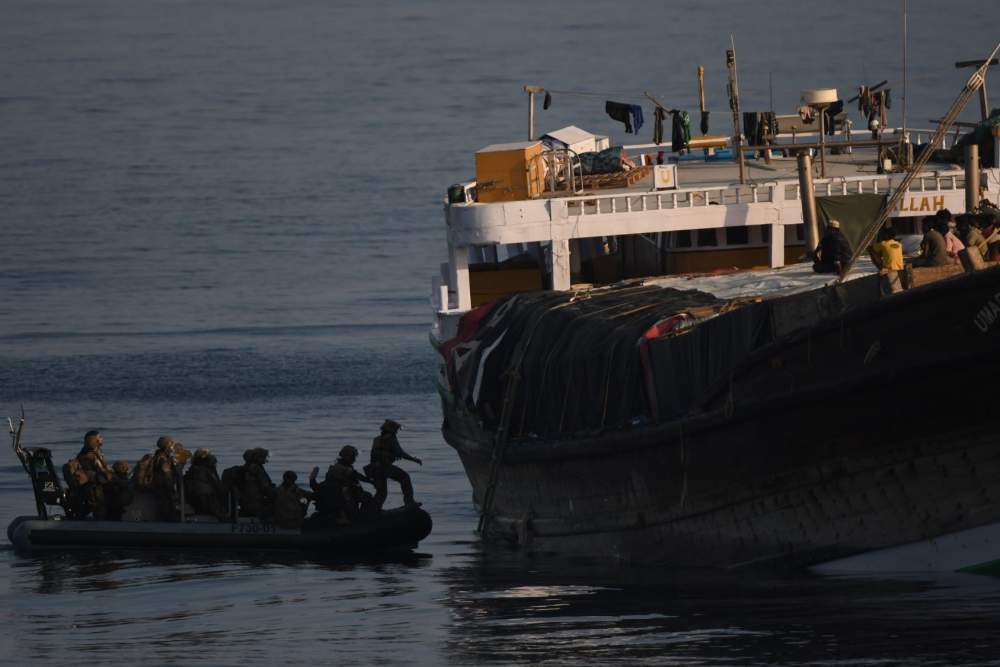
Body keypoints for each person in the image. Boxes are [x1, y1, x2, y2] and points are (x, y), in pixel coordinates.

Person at [364, 419, 422, 509]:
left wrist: (392, 456)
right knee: (405, 477)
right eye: (396, 429)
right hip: (384, 468)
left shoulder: (377, 439)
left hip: (374, 468)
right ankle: (409, 501)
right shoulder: (391, 439)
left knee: (381, 492)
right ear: (392, 429)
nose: (397, 432)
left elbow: (379, 453)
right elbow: (400, 453)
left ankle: (374, 509)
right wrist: (414, 459)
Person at [63, 430, 113, 519]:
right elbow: (95, 473)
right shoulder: (88, 456)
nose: (102, 439)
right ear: (94, 440)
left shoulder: (96, 451)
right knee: (99, 505)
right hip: (91, 487)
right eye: (99, 437)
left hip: (94, 483)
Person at [325, 445, 375, 521]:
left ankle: (359, 515)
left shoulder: (342, 466)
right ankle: (362, 516)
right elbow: (355, 474)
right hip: (344, 494)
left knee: (364, 496)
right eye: (353, 457)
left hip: (347, 493)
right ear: (347, 456)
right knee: (367, 496)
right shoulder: (340, 467)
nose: (354, 459)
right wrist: (370, 481)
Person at [149, 435, 191, 521]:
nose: (173, 446)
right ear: (168, 445)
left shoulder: (161, 456)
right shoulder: (162, 459)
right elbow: (167, 475)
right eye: (172, 444)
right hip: (164, 488)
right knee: (166, 507)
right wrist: (180, 465)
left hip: (162, 486)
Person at [184, 448, 229, 520]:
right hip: (209, 505)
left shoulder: (192, 470)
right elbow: (219, 487)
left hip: (194, 504)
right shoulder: (209, 470)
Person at [238, 448, 275, 519]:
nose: (265, 459)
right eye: (264, 457)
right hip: (255, 503)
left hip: (245, 502)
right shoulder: (256, 468)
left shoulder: (245, 467)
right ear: (258, 457)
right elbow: (265, 487)